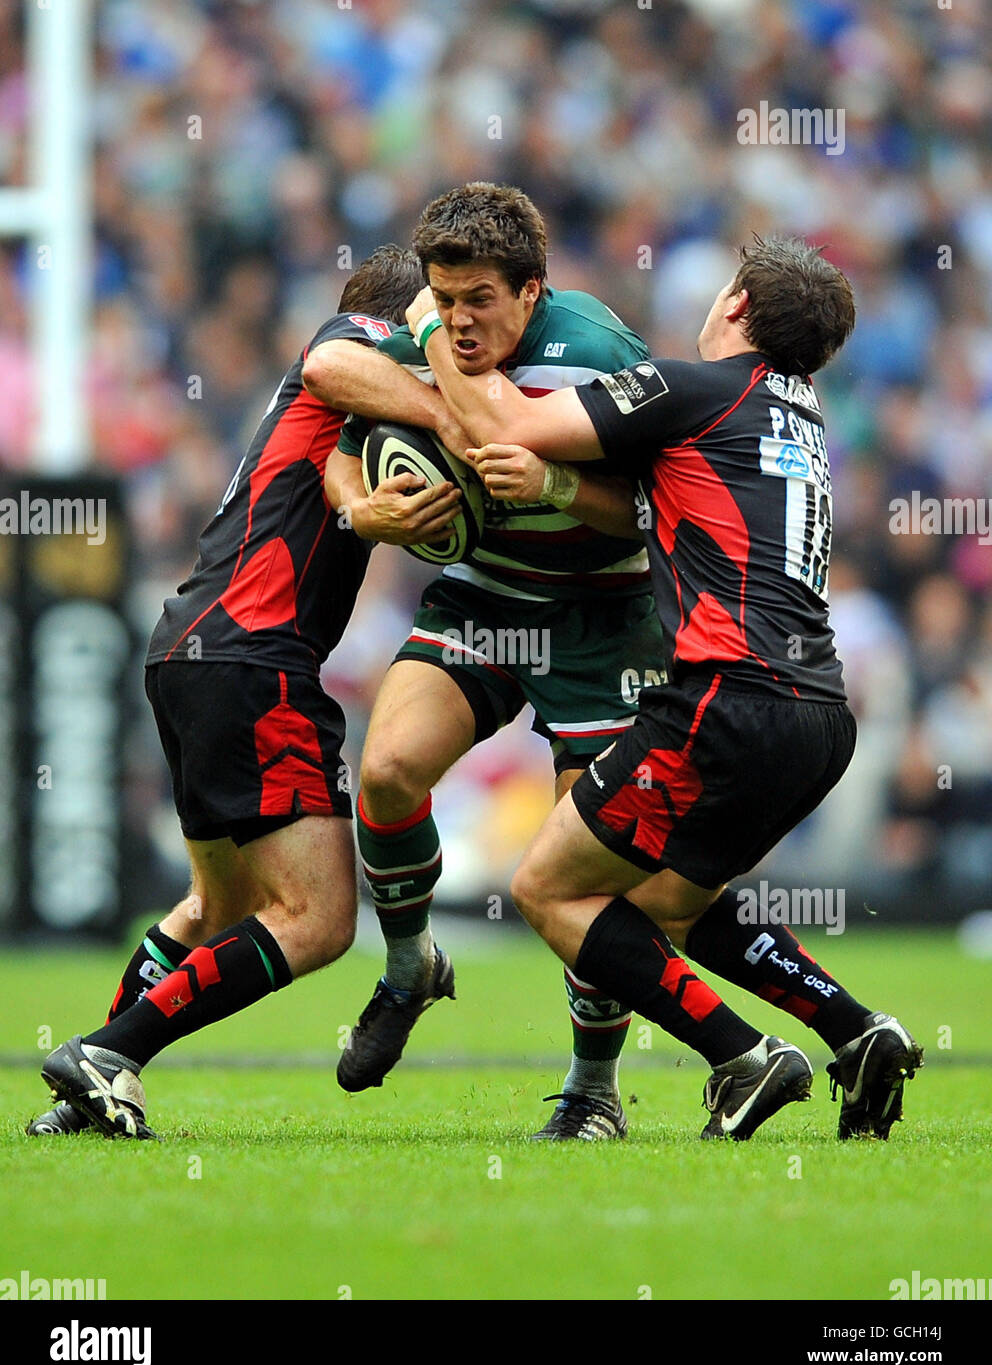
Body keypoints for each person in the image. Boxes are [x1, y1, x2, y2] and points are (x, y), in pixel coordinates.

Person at [415, 234, 923, 1140]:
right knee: (665, 907)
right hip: (817, 716)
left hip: (725, 698)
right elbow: (661, 501)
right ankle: (857, 1032)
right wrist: (564, 485)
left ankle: (744, 1057)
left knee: (548, 890)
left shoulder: (694, 386)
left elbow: (503, 424)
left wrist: (429, 335)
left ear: (735, 309)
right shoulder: (804, 416)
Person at [30, 246, 466, 1140]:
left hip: (191, 650)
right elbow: (330, 354)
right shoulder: (366, 339)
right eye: (444, 311)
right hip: (253, 660)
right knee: (316, 921)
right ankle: (107, 1054)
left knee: (214, 906)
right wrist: (456, 421)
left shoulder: (333, 421)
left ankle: (92, 1089)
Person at [305, 182, 664, 1140]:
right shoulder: (423, 329)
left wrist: (553, 481)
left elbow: (652, 509)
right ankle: (410, 964)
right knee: (383, 769)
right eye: (444, 296)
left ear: (534, 290)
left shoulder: (594, 353)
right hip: (488, 594)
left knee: (578, 869)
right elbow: (327, 383)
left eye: (480, 302)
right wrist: (359, 507)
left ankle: (594, 1091)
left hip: (604, 614)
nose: (459, 320)